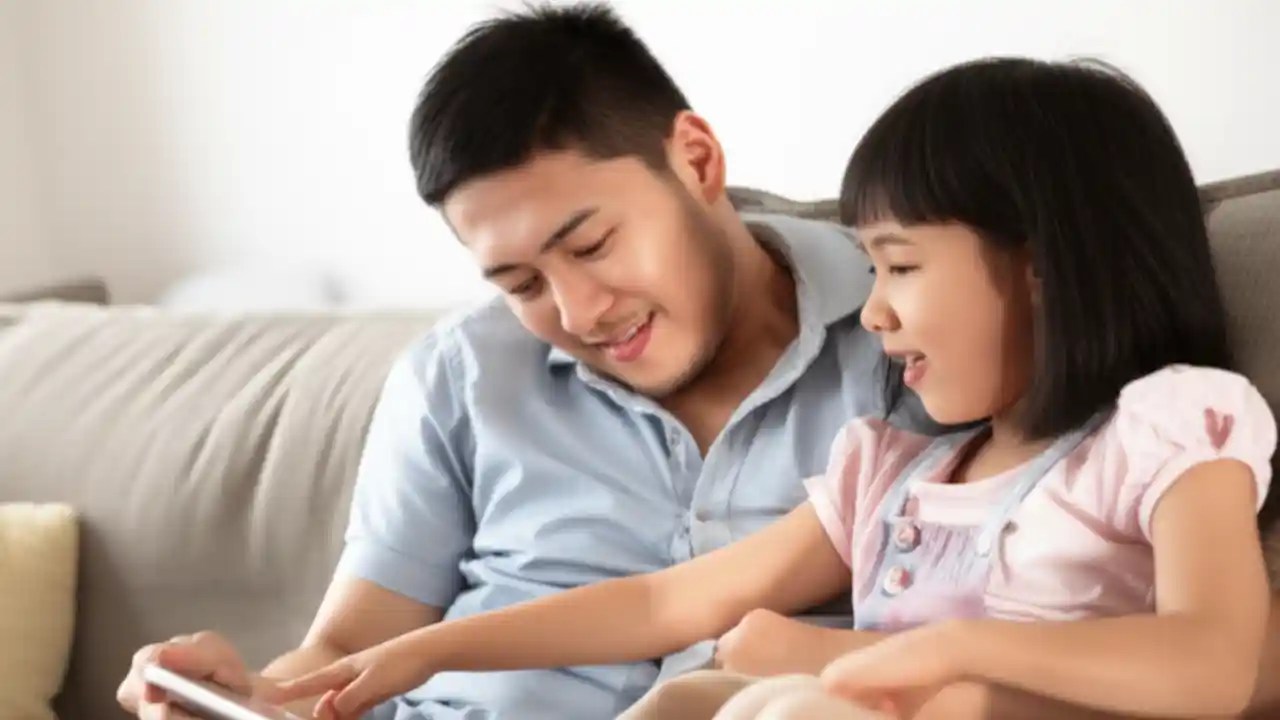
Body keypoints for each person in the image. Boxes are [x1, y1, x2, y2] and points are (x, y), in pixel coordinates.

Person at [263, 58, 1280, 720]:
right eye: (521, 284)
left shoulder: (1170, 427)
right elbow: (667, 601)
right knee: (690, 700)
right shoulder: (893, 467)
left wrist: (946, 657)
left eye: (899, 267)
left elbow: (1220, 666)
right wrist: (413, 657)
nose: (876, 315)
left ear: (1041, 263)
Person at [115, 4, 940, 719]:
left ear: (696, 160)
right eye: (519, 282)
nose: (580, 313)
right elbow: (344, 655)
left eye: (591, 244)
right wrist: (246, 695)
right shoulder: (458, 375)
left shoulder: (915, 329)